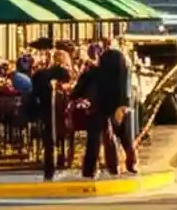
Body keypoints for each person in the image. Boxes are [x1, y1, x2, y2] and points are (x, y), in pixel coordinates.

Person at [81, 37, 137, 177]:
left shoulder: (95, 71)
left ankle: (89, 170)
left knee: (94, 138)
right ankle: (131, 164)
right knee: (124, 137)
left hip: (98, 106)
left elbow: (81, 86)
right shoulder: (121, 68)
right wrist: (123, 104)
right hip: (117, 105)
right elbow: (124, 87)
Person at [31, 49, 72, 180]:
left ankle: (51, 168)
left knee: (49, 140)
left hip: (49, 112)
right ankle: (54, 164)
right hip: (56, 111)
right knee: (53, 138)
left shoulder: (41, 74)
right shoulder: (57, 73)